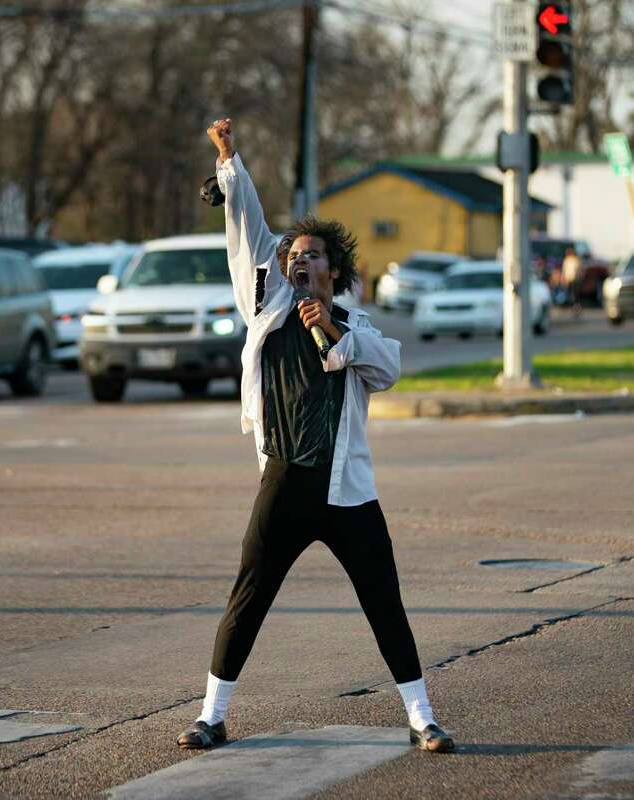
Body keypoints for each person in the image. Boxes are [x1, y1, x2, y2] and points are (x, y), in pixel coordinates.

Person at [175, 118, 454, 754]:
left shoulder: (356, 326)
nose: (300, 260)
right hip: (285, 481)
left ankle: (422, 719)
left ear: (336, 269)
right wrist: (229, 163)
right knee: (249, 597)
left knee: (384, 602)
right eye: (294, 255)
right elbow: (248, 227)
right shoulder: (266, 305)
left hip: (347, 490)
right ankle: (212, 717)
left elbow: (388, 368)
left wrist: (330, 326)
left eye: (313, 255)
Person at [562, 245, 583, 311]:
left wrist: (579, 277)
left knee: (575, 293)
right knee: (569, 292)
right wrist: (564, 279)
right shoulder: (566, 260)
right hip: (568, 279)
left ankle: (576, 305)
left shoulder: (575, 260)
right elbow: (564, 270)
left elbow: (579, 269)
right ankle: (571, 305)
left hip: (575, 279)